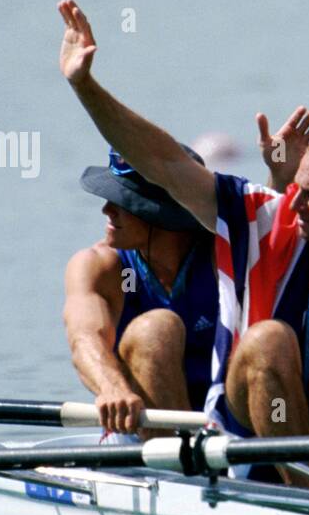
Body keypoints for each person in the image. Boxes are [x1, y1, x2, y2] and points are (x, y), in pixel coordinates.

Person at [57, 0, 309, 481]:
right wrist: (85, 86)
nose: (290, 203)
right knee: (260, 338)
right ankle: (305, 502)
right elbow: (163, 162)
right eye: (292, 191)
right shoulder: (268, 220)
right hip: (246, 427)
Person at [63, 147, 217, 437]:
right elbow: (84, 339)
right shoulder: (102, 266)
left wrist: (279, 175)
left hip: (225, 431)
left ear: (163, 211)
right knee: (155, 330)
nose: (106, 209)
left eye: (122, 200)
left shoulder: (224, 257)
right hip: (139, 437)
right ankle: (179, 470)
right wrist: (112, 387)